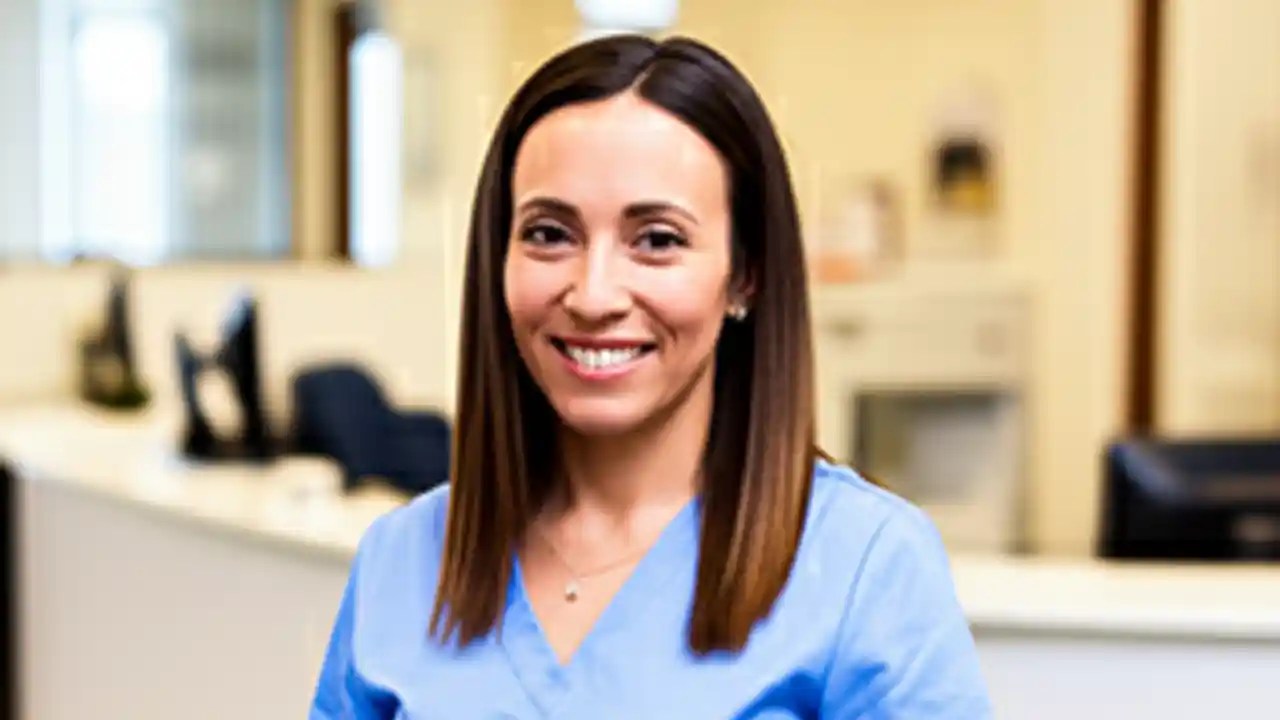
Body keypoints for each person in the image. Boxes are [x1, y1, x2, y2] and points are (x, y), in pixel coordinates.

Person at [310, 34, 992, 719]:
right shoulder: (400, 563)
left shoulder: (865, 566)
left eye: (658, 240)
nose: (593, 295)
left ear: (744, 274)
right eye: (549, 234)